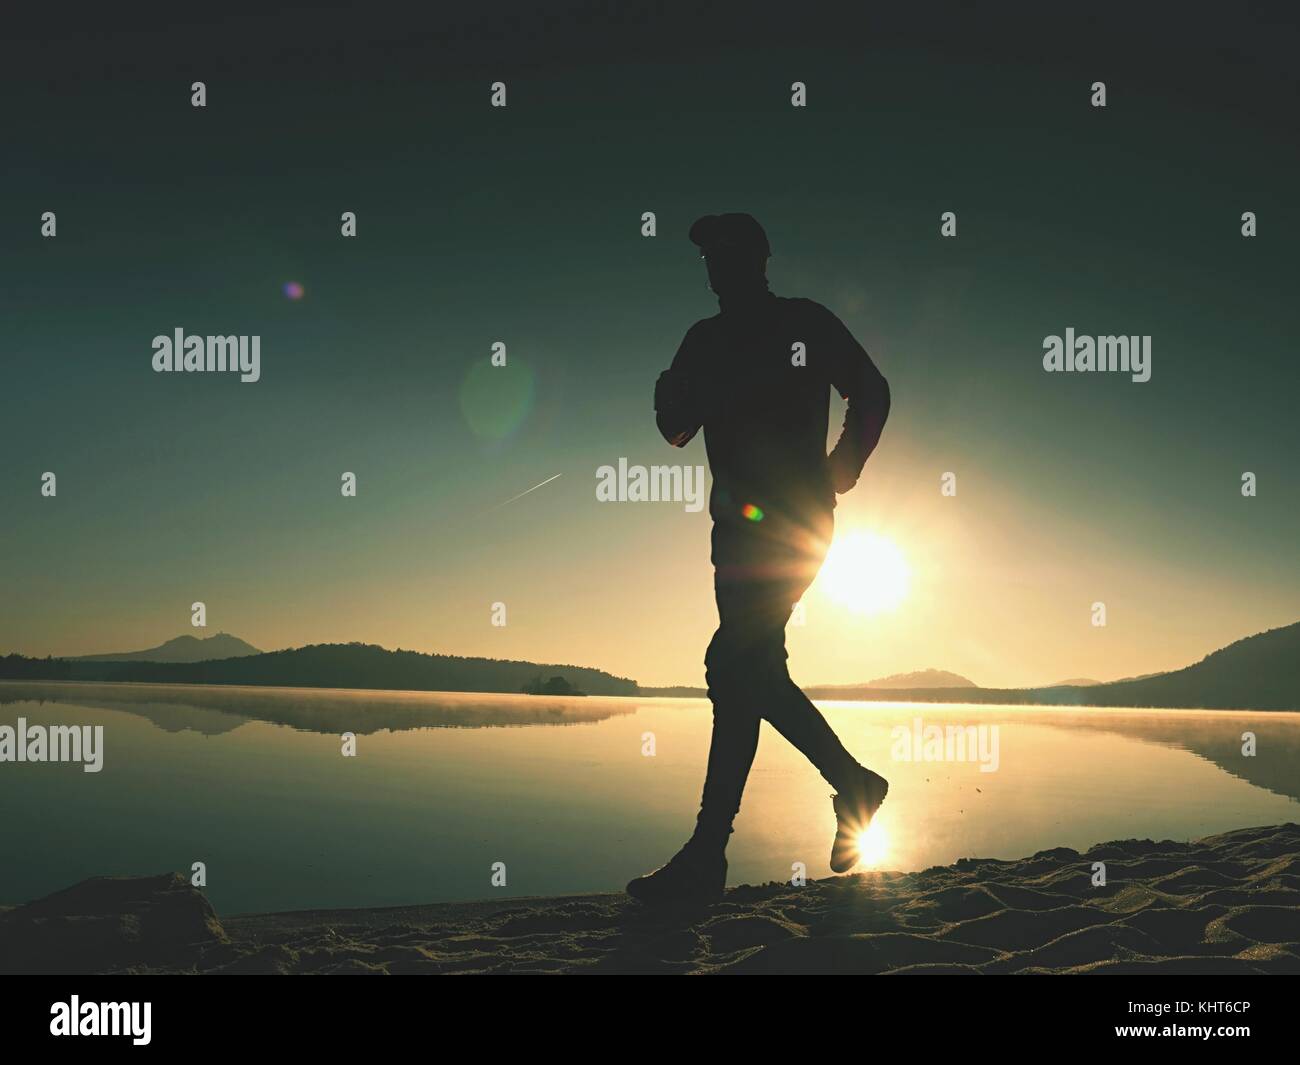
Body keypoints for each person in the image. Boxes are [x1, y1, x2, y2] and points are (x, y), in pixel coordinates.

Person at [627, 213, 892, 905]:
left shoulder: (803, 323)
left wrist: (844, 465)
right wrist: (667, 396)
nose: (717, 266)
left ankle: (709, 853)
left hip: (795, 527)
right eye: (710, 257)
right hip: (736, 536)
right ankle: (847, 788)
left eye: (730, 253)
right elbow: (677, 430)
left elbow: (872, 388)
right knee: (747, 673)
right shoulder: (704, 340)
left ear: (759, 260)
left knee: (732, 666)